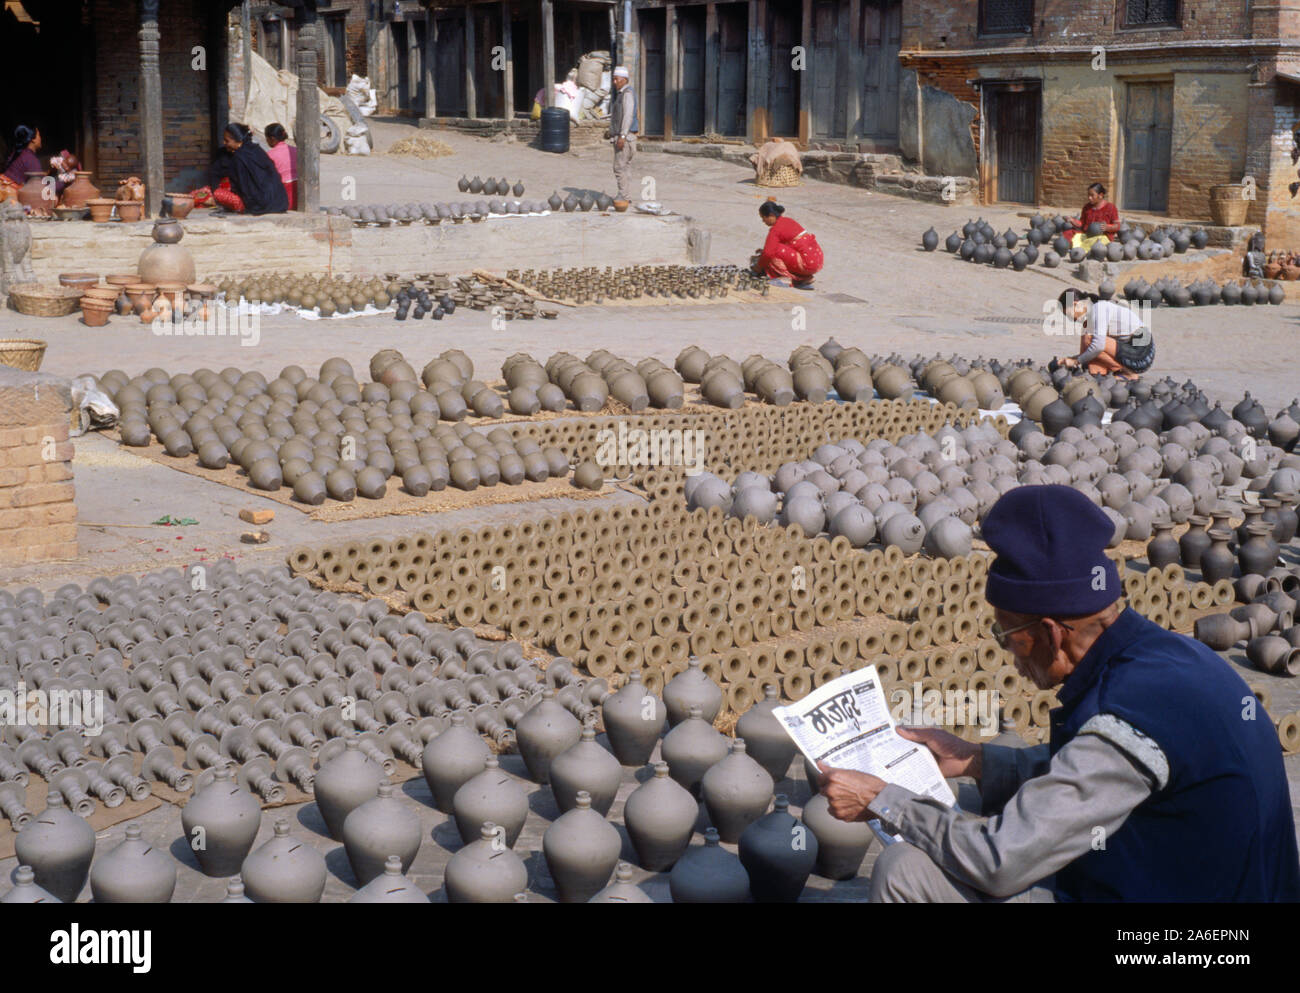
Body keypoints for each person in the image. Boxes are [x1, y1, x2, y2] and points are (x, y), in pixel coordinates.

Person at [817, 484, 1300, 903]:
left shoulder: (1127, 718)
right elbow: (1093, 776)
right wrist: (975, 761)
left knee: (907, 871)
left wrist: (886, 801)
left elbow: (999, 859)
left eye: (1008, 633)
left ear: (1050, 633)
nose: (1008, 651)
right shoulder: (1170, 658)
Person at [1055, 289, 1153, 379]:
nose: (1070, 319)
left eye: (1067, 314)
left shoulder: (1098, 309)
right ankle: (1115, 374)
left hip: (1142, 353)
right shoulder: (1090, 318)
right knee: (1094, 366)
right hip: (1128, 351)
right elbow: (1088, 353)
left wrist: (1075, 362)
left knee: (1089, 339)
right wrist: (1071, 359)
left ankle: (1128, 373)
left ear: (1075, 304)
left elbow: (1098, 346)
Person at [205, 123, 288, 215]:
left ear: (238, 140)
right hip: (280, 203)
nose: (224, 143)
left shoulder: (238, 158)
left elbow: (241, 188)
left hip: (261, 206)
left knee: (218, 193)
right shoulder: (257, 150)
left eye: (227, 141)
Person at [752, 200, 823, 289]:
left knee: (772, 252)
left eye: (764, 218)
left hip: (806, 263)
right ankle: (806, 278)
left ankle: (785, 278)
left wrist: (758, 266)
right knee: (774, 251)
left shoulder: (776, 229)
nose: (763, 221)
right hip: (816, 260)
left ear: (771, 216)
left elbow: (768, 253)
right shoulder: (788, 221)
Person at [609, 66, 638, 202]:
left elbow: (628, 116)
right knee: (625, 167)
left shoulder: (627, 94)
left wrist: (622, 136)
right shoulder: (622, 93)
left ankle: (623, 196)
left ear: (624, 80)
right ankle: (626, 195)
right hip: (626, 136)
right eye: (613, 79)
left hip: (625, 138)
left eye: (617, 79)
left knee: (619, 168)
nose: (614, 82)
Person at [1062, 182, 1120, 248]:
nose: (1089, 198)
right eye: (1088, 195)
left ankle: (1079, 247)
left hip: (1102, 237)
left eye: (1092, 195)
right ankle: (1077, 246)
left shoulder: (1110, 207)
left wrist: (1107, 227)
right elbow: (1082, 224)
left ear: (1100, 195)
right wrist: (1072, 220)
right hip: (1087, 235)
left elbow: (1117, 226)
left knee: (1097, 243)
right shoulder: (1086, 207)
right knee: (1067, 233)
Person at [1, 125, 44, 203]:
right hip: (8, 196)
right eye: (39, 135)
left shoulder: (18, 153)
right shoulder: (30, 159)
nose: (41, 138)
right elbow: (42, 187)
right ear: (33, 140)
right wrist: (65, 179)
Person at [264, 122, 298, 210]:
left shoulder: (270, 155)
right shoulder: (296, 150)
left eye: (266, 139)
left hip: (285, 195)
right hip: (299, 193)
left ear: (272, 138)